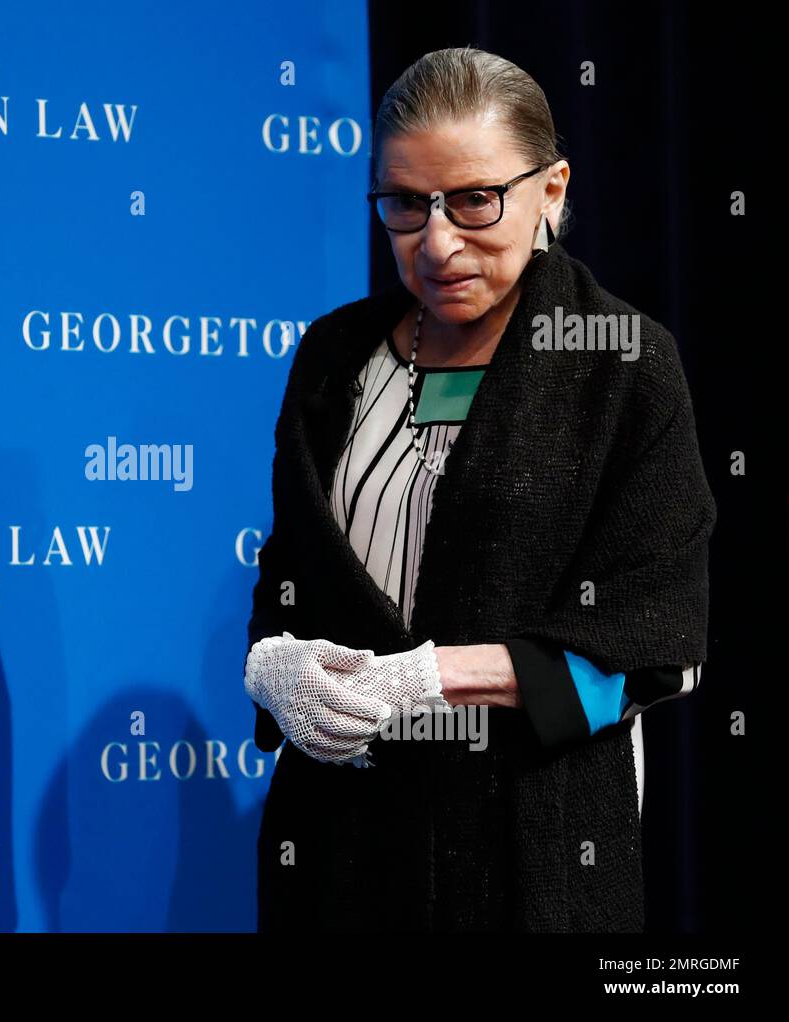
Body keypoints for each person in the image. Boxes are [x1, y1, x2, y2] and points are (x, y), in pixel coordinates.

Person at [243, 47, 715, 932]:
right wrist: (273, 667)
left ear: (553, 189)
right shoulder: (331, 357)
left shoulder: (621, 363)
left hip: (531, 850)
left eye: (474, 200)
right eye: (405, 205)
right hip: (340, 849)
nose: (438, 243)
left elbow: (654, 646)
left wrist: (425, 682)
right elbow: (287, 580)